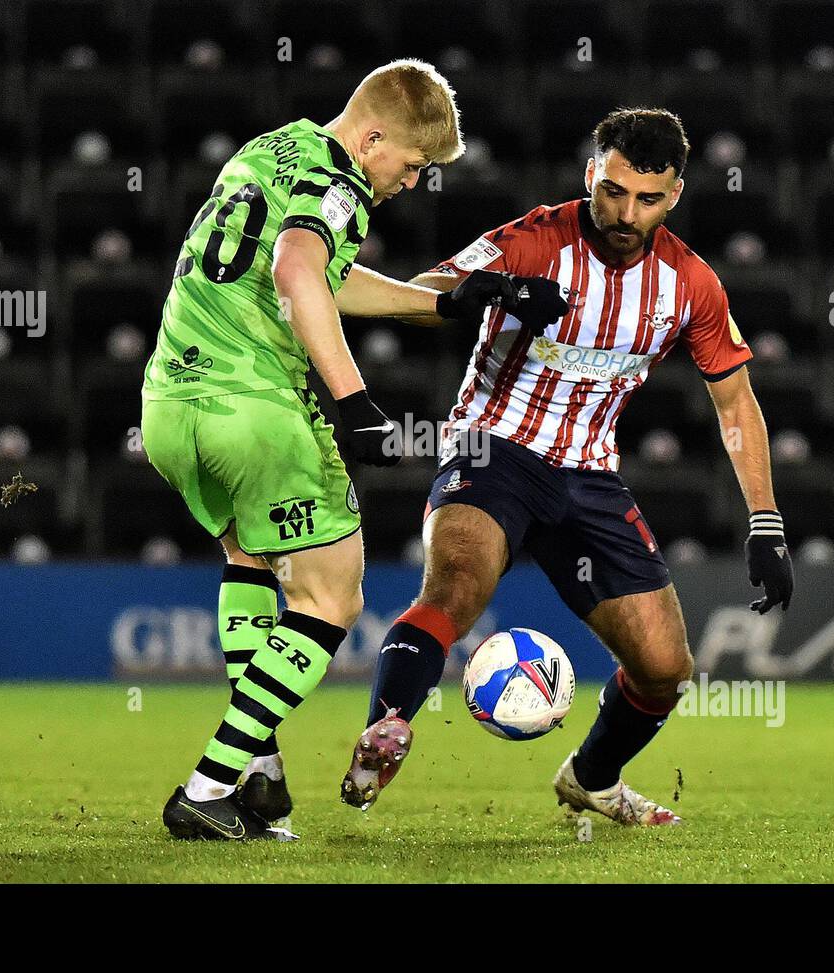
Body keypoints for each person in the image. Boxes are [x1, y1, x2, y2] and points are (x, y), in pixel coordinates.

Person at [340, 107, 796, 826]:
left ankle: (590, 777)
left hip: (587, 474)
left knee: (666, 668)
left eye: (648, 199)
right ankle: (387, 726)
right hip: (494, 450)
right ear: (592, 174)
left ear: (674, 196)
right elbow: (417, 295)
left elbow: (736, 404)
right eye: (613, 190)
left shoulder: (691, 284)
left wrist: (766, 523)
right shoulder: (534, 241)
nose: (626, 211)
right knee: (457, 586)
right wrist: (480, 293)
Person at [142, 59, 557, 840]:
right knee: (331, 598)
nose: (411, 180)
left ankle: (258, 776)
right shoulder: (342, 182)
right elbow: (299, 269)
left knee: (252, 562)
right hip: (254, 410)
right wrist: (354, 399)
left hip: (171, 407)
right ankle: (207, 786)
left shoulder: (271, 151)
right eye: (411, 163)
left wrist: (448, 302)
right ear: (371, 138)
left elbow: (319, 276)